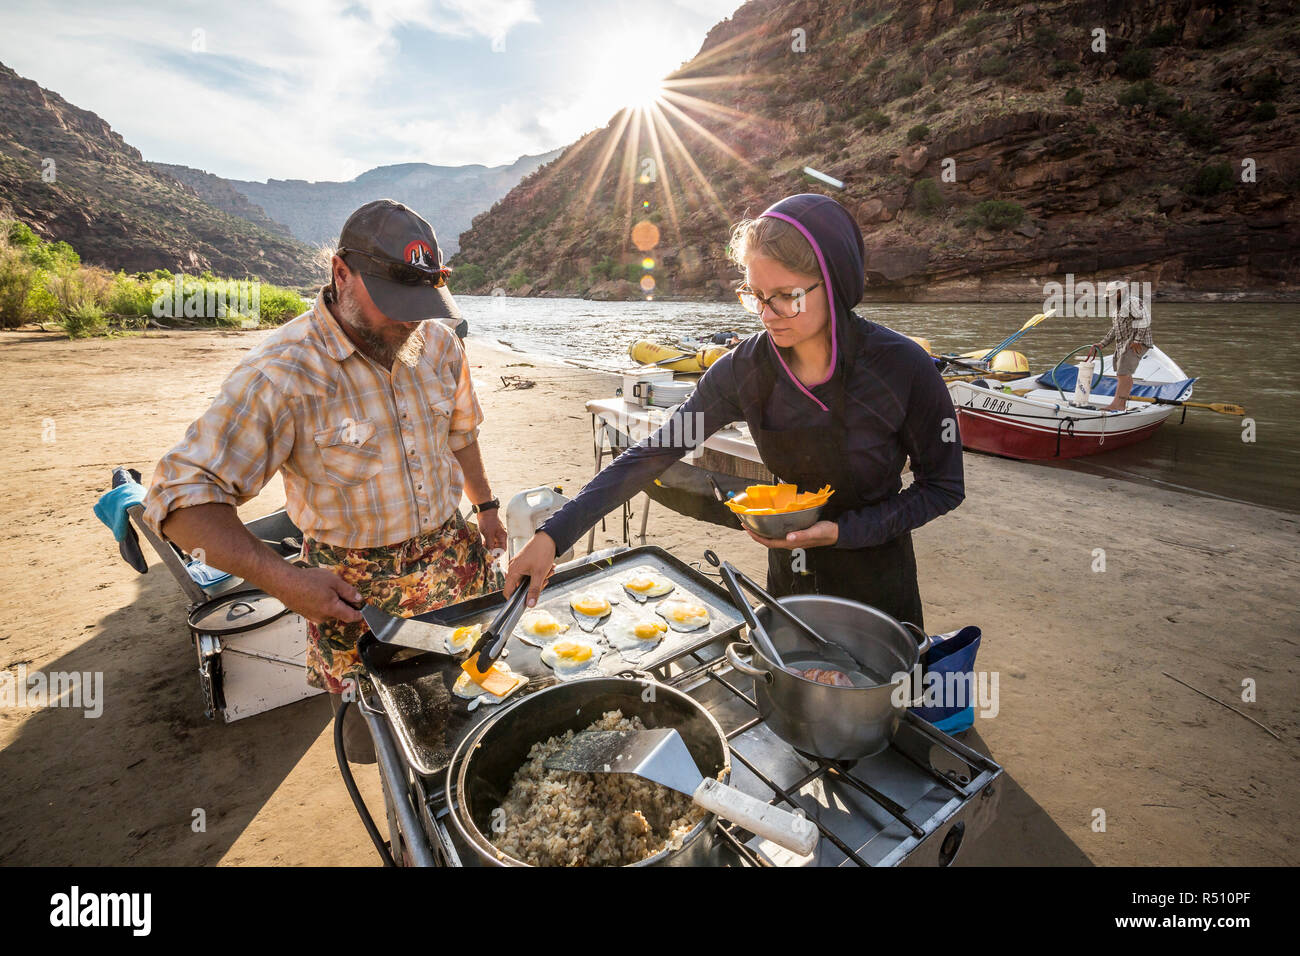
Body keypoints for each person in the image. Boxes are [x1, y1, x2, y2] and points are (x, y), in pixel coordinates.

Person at [143, 200, 507, 763]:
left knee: (474, 714)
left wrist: (485, 507)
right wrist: (285, 580)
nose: (409, 320)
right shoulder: (282, 373)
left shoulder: (437, 344)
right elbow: (178, 500)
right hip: (354, 598)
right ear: (341, 274)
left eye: (421, 303)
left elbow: (460, 434)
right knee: (384, 747)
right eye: (395, 303)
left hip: (454, 568)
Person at [507, 194, 964, 627]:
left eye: (786, 295)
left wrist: (843, 532)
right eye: (755, 295)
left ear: (837, 280)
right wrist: (552, 535)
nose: (767, 314)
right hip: (790, 580)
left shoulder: (902, 367)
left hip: (879, 584)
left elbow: (942, 487)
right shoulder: (744, 369)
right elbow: (654, 453)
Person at [1096, 280, 1154, 411]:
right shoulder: (1117, 307)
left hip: (1136, 342)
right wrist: (1102, 344)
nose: (1109, 299)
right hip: (1124, 342)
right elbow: (1115, 328)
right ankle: (1121, 404)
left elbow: (1144, 320)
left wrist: (1138, 340)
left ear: (1119, 292)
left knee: (1123, 372)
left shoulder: (1133, 302)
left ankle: (1117, 405)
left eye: (1111, 295)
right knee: (1122, 373)